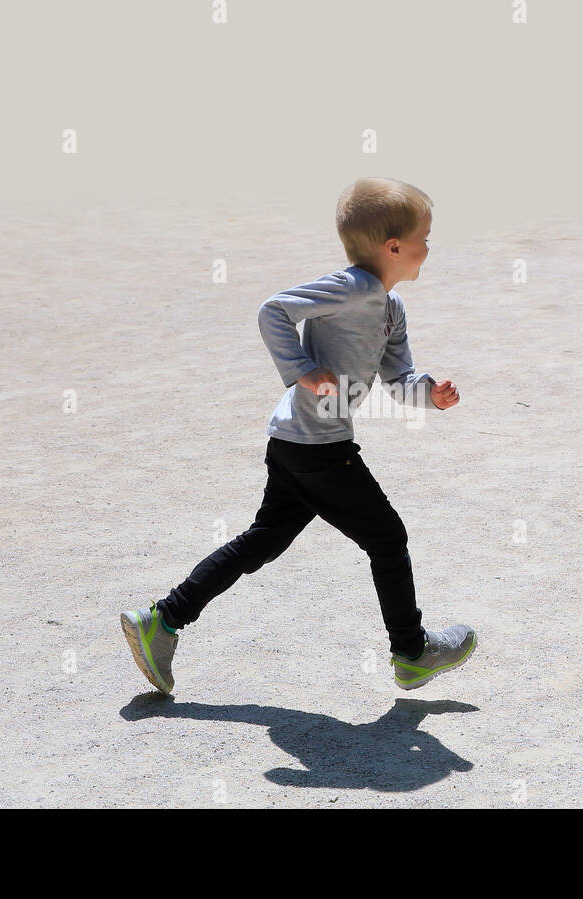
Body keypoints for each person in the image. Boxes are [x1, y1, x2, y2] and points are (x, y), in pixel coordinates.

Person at [121, 176, 476, 695]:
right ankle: (412, 652)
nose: (430, 246)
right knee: (387, 537)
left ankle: (163, 620)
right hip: (319, 447)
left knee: (263, 540)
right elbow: (274, 311)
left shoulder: (392, 309)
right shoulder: (352, 287)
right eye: (425, 236)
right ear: (394, 247)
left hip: (297, 442)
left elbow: (401, 379)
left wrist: (430, 394)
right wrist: (304, 371)